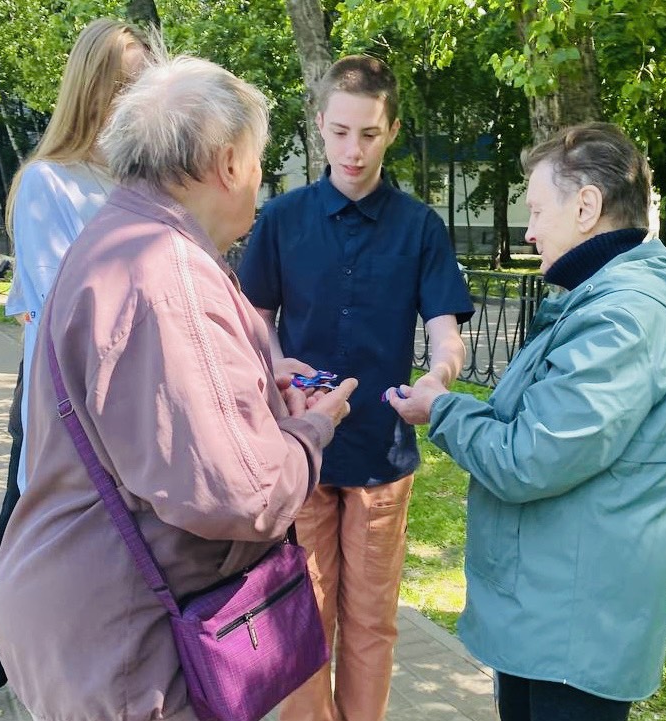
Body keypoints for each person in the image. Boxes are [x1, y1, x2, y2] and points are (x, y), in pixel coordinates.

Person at [0, 54, 356, 721]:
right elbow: (238, 494)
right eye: (257, 162)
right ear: (224, 163)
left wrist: (252, 377)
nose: (258, 182)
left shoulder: (123, 235)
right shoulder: (167, 270)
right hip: (129, 648)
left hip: (83, 619)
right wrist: (310, 431)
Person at [387, 123, 666, 721]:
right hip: (553, 615)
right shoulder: (596, 303)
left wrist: (439, 410)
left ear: (587, 206)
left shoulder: (622, 321)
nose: (529, 230)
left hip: (577, 628)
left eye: (539, 210)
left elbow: (529, 457)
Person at [237, 55, 475, 721]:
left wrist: (440, 374)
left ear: (391, 130)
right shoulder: (281, 219)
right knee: (302, 622)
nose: (352, 149)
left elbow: (444, 327)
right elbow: (255, 320)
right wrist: (275, 373)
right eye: (339, 131)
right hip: (299, 450)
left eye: (368, 133)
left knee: (370, 620)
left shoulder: (419, 226)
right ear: (319, 126)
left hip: (380, 452)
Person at [0, 19, 154, 721]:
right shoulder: (48, 182)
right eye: (125, 84)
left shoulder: (145, 183)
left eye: (144, 85)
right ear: (92, 88)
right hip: (60, 408)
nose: (136, 99)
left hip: (135, 407)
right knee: (22, 542)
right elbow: (71, 308)